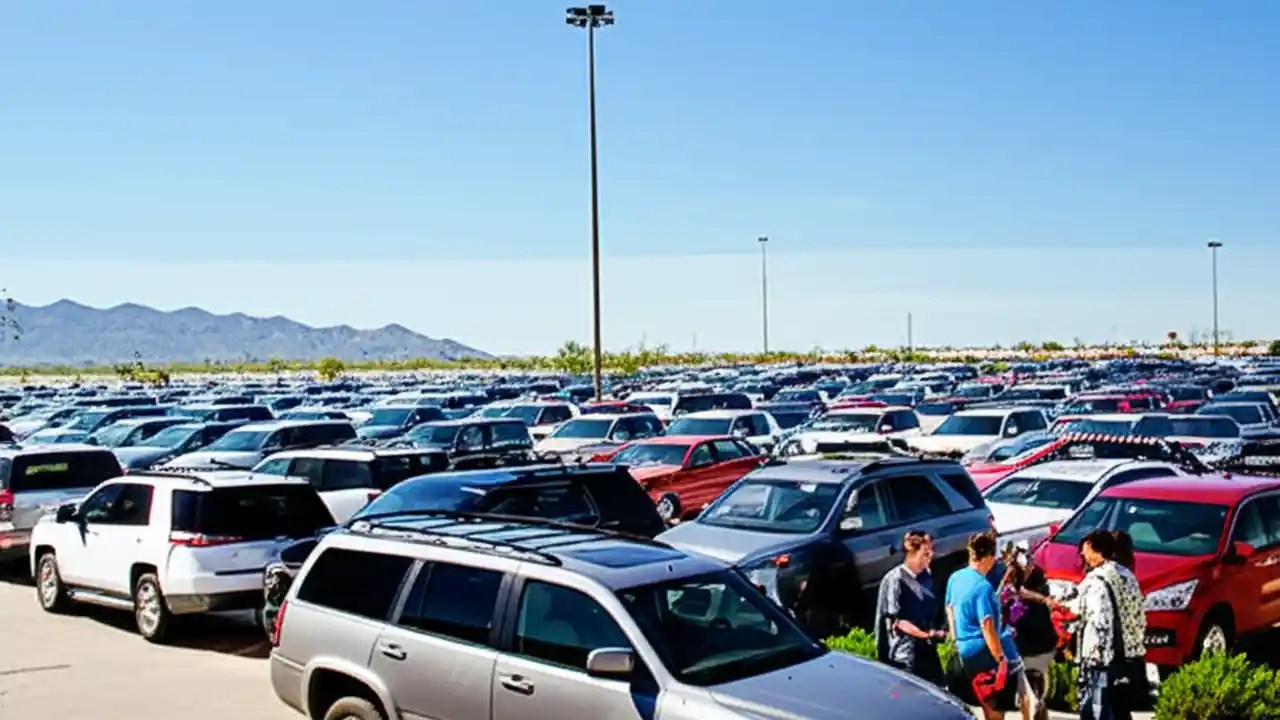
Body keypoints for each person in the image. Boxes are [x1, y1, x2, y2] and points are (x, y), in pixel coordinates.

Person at [946, 531, 1031, 720]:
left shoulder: (956, 578)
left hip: (963, 650)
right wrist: (1000, 658)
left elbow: (950, 608)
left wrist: (955, 637)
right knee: (995, 710)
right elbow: (987, 625)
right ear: (989, 557)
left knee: (982, 702)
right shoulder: (982, 587)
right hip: (983, 654)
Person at [1076, 530, 1147, 720]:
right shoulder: (1128, 576)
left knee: (1097, 712)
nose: (1082, 554)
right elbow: (1139, 614)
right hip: (1129, 658)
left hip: (1101, 660)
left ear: (1091, 547)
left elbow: (1098, 619)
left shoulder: (1095, 580)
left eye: (1084, 549)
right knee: (1120, 710)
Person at [875, 530, 947, 684]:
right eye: (925, 553)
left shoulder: (926, 578)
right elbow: (898, 622)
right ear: (912, 553)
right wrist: (926, 635)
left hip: (927, 652)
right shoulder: (895, 579)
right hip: (905, 655)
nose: (930, 556)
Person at [999, 545, 1060, 720]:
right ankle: (1037, 707)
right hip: (1036, 643)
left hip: (1032, 644)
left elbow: (1018, 593)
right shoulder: (1012, 589)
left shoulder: (1028, 584)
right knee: (1032, 688)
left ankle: (1036, 708)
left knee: (1030, 690)